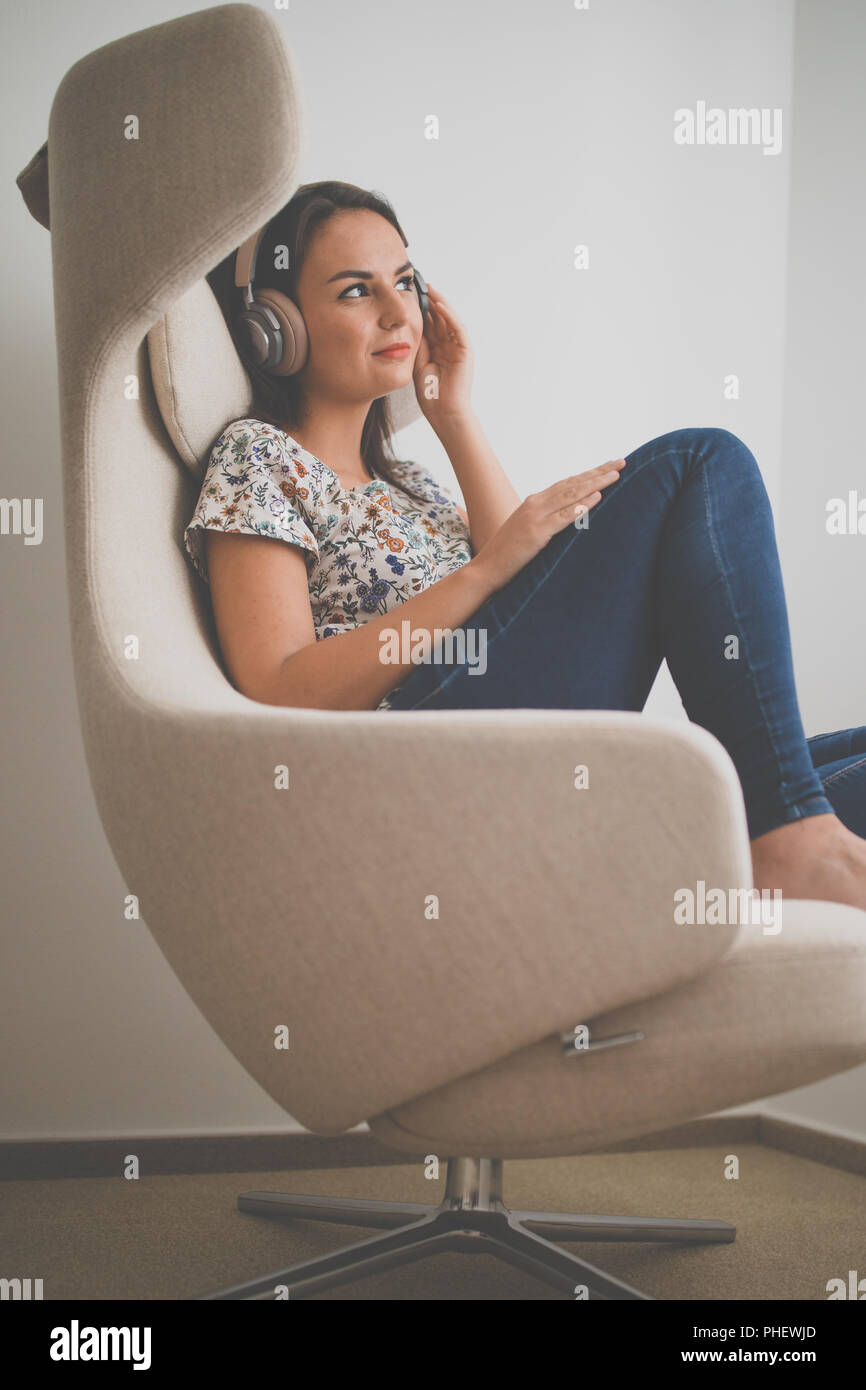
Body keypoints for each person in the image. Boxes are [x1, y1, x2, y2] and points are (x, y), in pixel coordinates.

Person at [184, 181, 866, 912]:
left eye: (406, 282)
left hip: (501, 723)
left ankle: (780, 845)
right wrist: (478, 577)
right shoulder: (257, 456)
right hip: (413, 760)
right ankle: (790, 849)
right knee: (697, 464)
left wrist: (454, 415)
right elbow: (279, 689)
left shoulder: (411, 480)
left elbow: (530, 593)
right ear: (276, 327)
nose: (396, 311)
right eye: (356, 291)